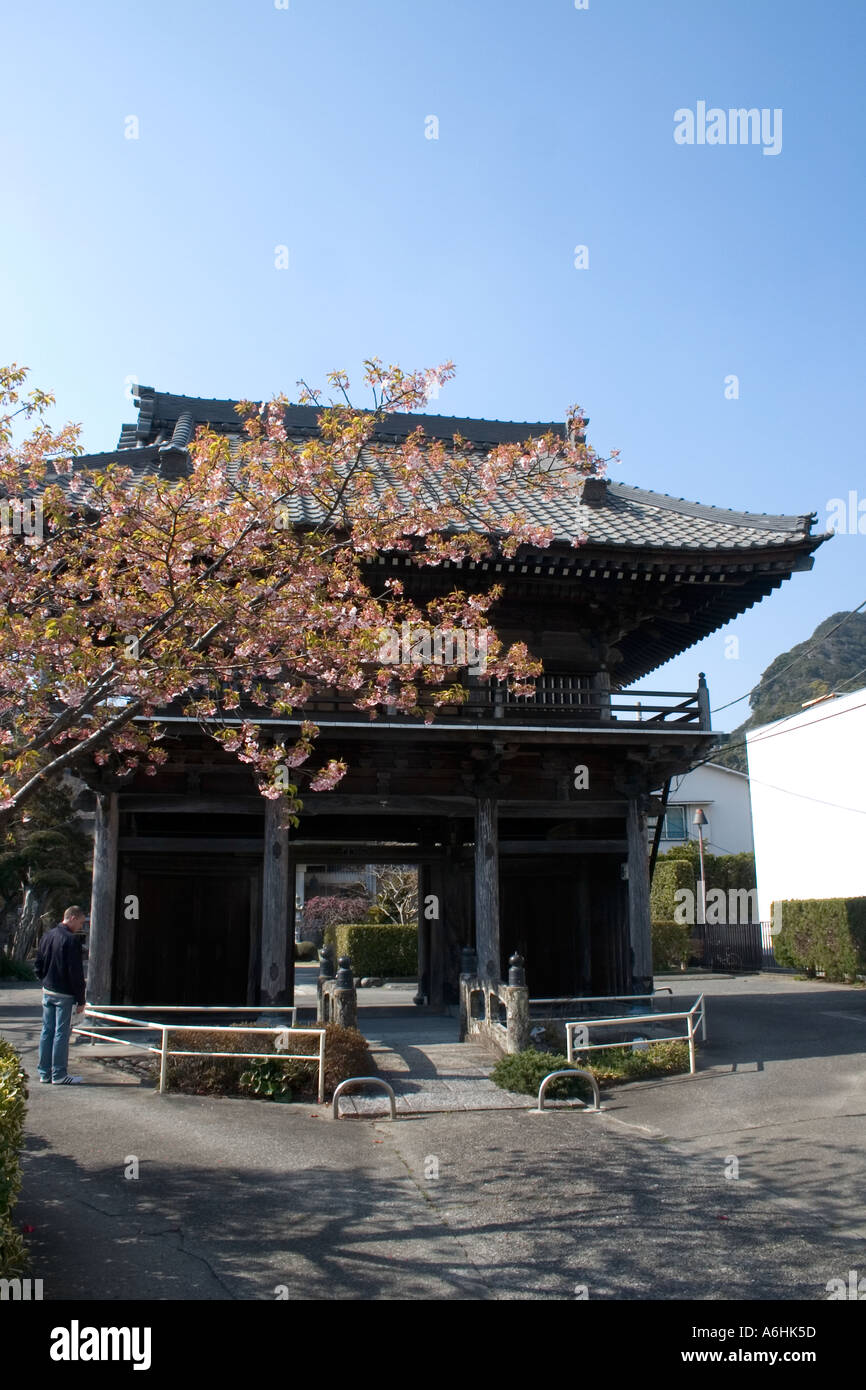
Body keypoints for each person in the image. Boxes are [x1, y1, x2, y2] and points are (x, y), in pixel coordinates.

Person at [34, 905, 88, 1085]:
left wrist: (43, 978)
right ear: (72, 917)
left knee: (46, 1031)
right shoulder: (71, 941)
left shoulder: (47, 936)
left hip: (48, 989)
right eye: (80, 922)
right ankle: (58, 1073)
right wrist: (81, 999)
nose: (80, 927)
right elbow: (76, 973)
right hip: (64, 993)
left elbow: (38, 963)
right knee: (61, 1033)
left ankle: (44, 1072)